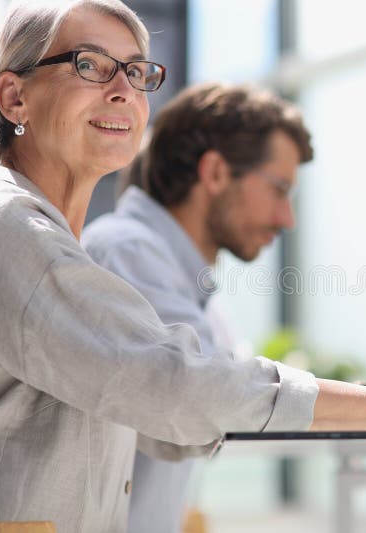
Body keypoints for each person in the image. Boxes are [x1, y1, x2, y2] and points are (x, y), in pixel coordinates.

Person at [0, 1, 366, 531]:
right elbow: (176, 386)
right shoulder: (3, 229)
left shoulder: (54, 243)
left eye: (136, 72)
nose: (123, 90)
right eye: (90, 65)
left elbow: (173, 416)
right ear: (14, 96)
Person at [82, 83, 310, 533]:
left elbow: (254, 391)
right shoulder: (126, 253)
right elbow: (222, 400)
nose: (287, 218)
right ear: (216, 173)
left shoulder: (186, 283)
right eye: (279, 189)